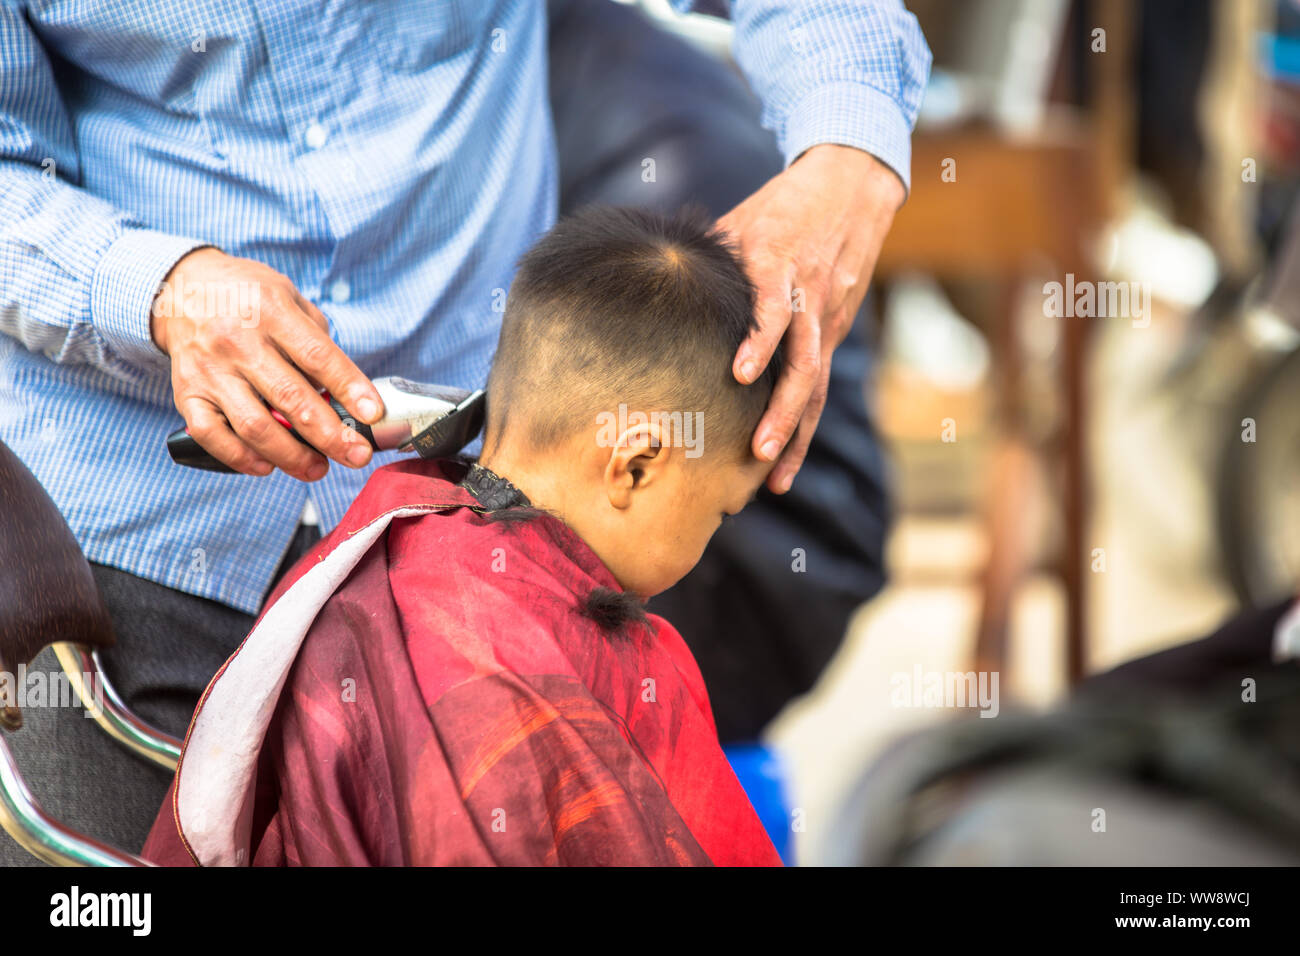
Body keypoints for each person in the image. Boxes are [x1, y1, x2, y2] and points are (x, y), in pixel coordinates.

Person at [0, 0, 930, 862]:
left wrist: (849, 158)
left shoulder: (519, 650)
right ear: (638, 464)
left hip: (473, 539)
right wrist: (150, 289)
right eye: (721, 513)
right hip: (130, 547)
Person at [143, 206, 785, 866]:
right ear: (636, 465)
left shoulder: (392, 547)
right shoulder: (493, 659)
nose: (711, 538)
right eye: (721, 513)